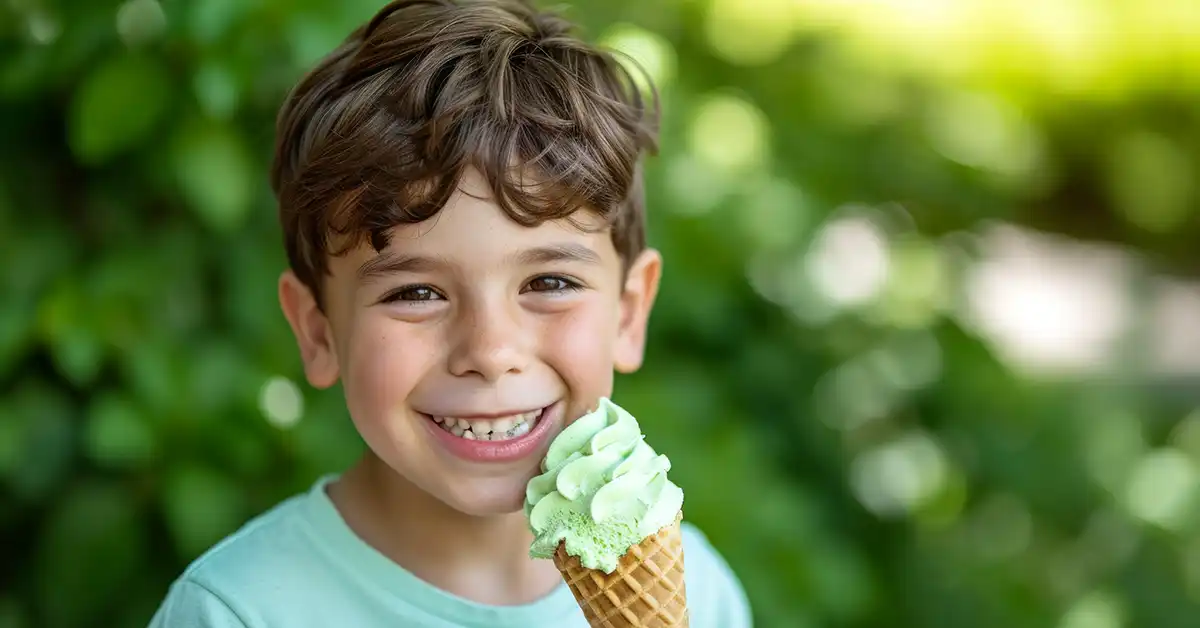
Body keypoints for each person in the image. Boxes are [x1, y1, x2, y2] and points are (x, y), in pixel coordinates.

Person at [148, 0, 752, 626]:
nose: (490, 353)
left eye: (549, 281)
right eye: (415, 293)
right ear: (318, 331)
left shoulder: (699, 594)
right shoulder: (239, 612)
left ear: (627, 315)